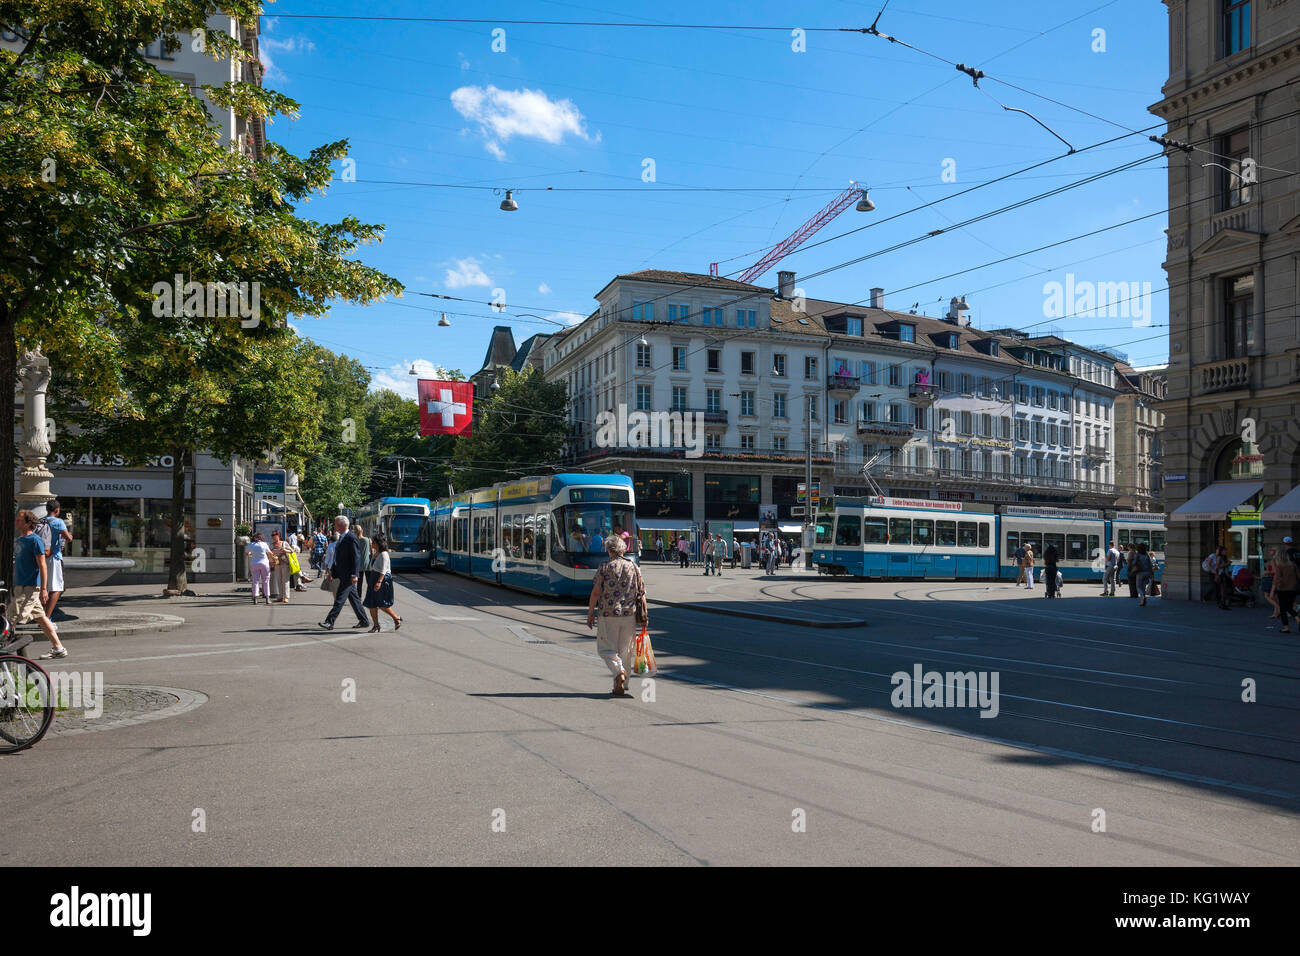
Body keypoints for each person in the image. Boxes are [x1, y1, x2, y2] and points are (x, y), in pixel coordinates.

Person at [586, 534, 646, 697]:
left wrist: (591, 613)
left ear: (609, 549)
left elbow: (596, 592)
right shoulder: (633, 566)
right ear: (623, 549)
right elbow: (642, 592)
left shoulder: (605, 566)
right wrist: (644, 617)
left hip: (608, 613)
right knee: (625, 650)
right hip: (629, 614)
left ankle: (618, 671)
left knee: (606, 649)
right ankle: (622, 685)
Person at [11, 510, 67, 659]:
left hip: (30, 587)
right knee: (41, 618)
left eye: (19, 520)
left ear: (28, 523)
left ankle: (6, 653)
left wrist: (43, 589)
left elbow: (42, 565)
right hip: (20, 586)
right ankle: (58, 648)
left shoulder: (35, 540)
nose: (16, 522)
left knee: (12, 616)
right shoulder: (19, 540)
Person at [320, 515, 370, 630]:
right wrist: (333, 572)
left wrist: (355, 574)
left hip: (348, 575)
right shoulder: (342, 537)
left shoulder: (351, 538)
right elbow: (339, 557)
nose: (334, 525)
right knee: (354, 599)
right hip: (342, 573)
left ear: (342, 525)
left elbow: (356, 557)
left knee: (340, 598)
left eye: (336, 523)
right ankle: (364, 620)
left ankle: (329, 622)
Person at [39, 498, 73, 618]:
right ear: (57, 510)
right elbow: (68, 538)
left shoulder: (40, 521)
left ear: (47, 509)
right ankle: (47, 618)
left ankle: (42, 616)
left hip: (41, 557)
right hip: (54, 557)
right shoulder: (58, 522)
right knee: (56, 588)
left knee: (44, 588)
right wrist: (69, 535)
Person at [363, 533, 402, 632]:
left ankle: (396, 618)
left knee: (382, 604)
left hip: (382, 579)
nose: (372, 543)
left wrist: (379, 582)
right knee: (371, 604)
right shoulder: (375, 553)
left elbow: (384, 570)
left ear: (378, 543)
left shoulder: (384, 554)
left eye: (374, 542)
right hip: (373, 578)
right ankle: (376, 625)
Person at [1272, 549, 1299, 634]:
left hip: (1283, 589)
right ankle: (1297, 619)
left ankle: (1286, 627)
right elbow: (1298, 576)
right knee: (1289, 607)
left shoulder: (1279, 566)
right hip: (1293, 589)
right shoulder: (1293, 565)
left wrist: (1274, 590)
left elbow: (1277, 579)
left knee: (1283, 609)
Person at [245, 532, 273, 605]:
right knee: (266, 581)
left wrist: (250, 553)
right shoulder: (264, 544)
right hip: (264, 563)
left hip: (254, 564)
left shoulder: (251, 544)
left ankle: (255, 598)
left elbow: (246, 554)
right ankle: (267, 598)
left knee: (255, 581)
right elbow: (270, 553)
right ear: (261, 538)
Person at [269, 529, 292, 604]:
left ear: (278, 535)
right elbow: (269, 554)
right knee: (279, 580)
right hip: (277, 564)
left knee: (285, 580)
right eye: (272, 535)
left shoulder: (284, 543)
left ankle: (286, 597)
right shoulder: (271, 545)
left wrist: (285, 550)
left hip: (285, 563)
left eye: (274, 535)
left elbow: (292, 550)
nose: (273, 537)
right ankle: (280, 596)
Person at [1134, 542, 1155, 607]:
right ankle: (1142, 601)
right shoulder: (1147, 554)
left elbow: (1135, 563)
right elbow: (1150, 564)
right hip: (1147, 572)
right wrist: (1151, 573)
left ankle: (1143, 596)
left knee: (1138, 586)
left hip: (1140, 572)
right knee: (1143, 586)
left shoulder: (1138, 554)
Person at [1263, 547, 1280, 619]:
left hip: (1271, 579)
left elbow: (1275, 571)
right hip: (1276, 579)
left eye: (1271, 550)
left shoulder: (1273, 560)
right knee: (1275, 597)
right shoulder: (1278, 560)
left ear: (1275, 552)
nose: (1269, 551)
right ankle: (1275, 613)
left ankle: (1279, 609)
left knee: (1267, 596)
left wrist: (1267, 572)